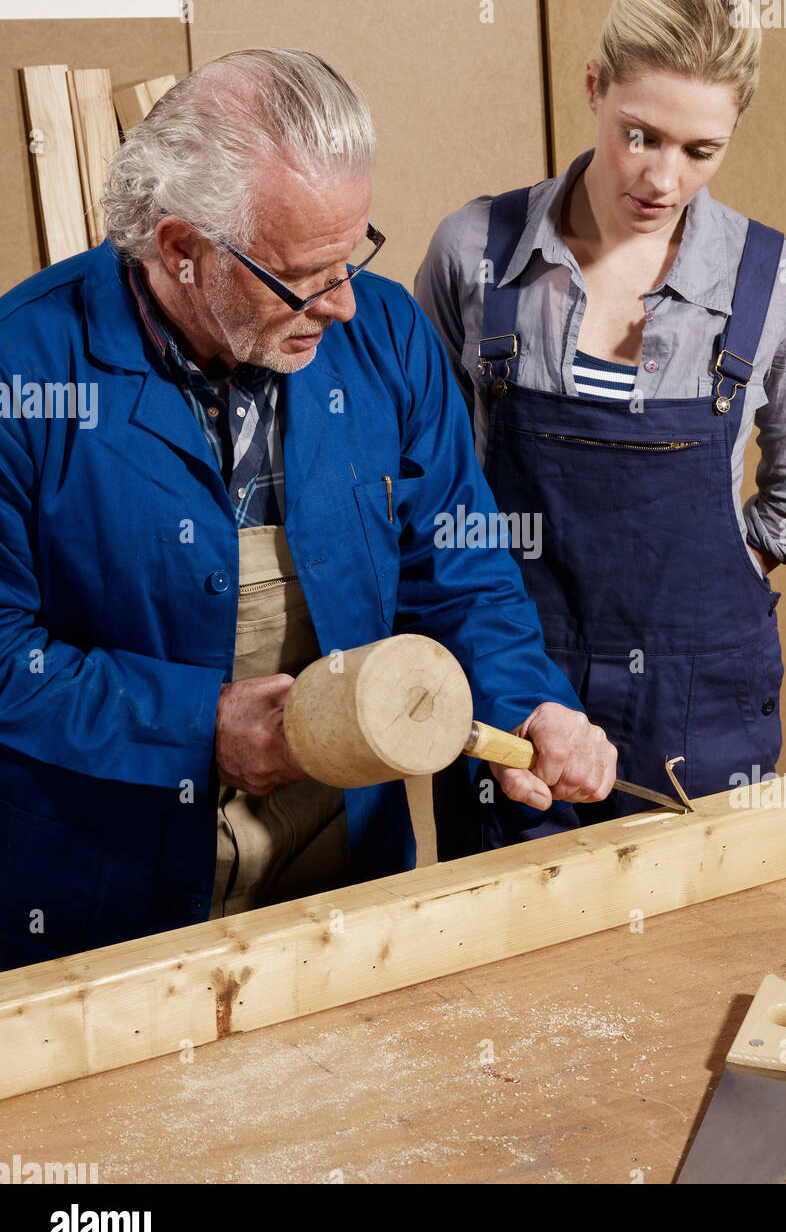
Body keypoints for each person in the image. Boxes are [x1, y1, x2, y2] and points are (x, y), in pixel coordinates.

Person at [0, 47, 616, 970]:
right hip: (101, 909)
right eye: (304, 277)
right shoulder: (26, 373)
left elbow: (463, 578)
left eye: (353, 258)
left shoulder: (391, 343)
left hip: (340, 887)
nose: (344, 309)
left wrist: (526, 707)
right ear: (181, 250)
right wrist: (194, 727)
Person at [414, 0, 786, 842]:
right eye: (637, 135)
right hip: (516, 678)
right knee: (504, 950)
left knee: (698, 947)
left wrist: (715, 596)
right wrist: (496, 655)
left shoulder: (777, 284)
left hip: (700, 693)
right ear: (593, 86)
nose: (660, 178)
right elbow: (431, 479)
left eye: (700, 151)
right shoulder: (475, 255)